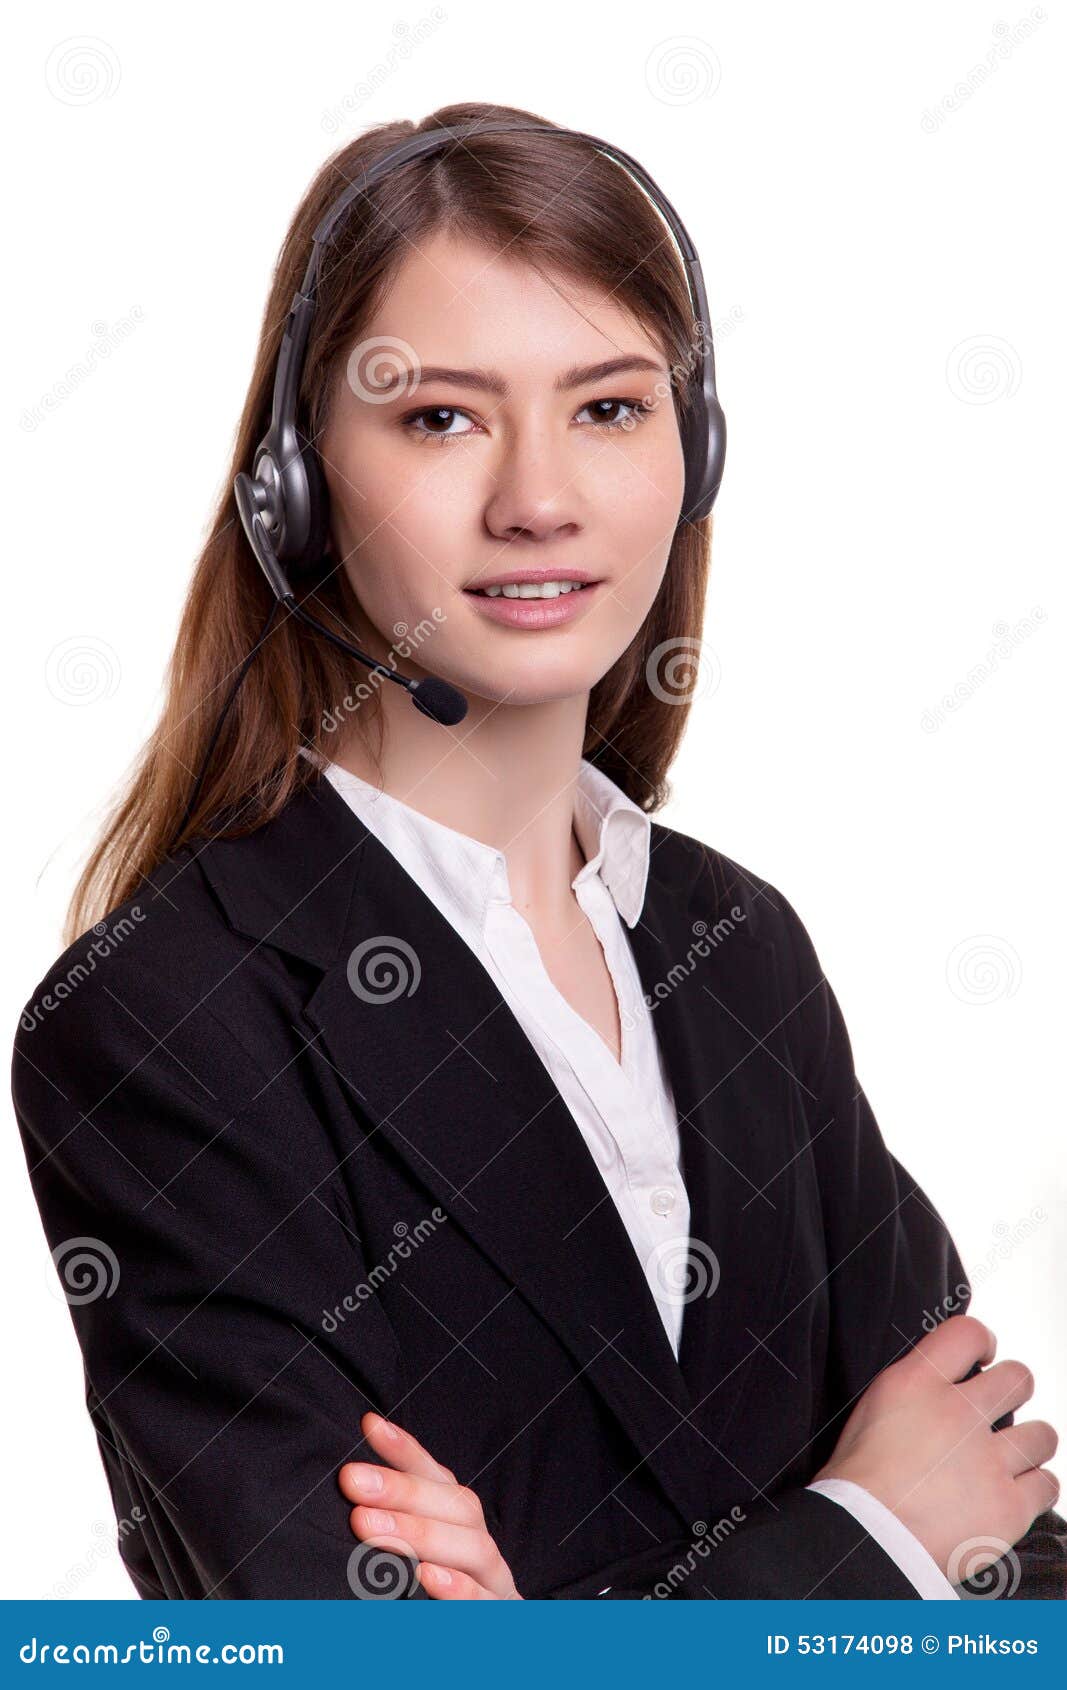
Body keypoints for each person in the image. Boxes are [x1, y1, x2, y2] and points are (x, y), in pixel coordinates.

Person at [11, 100, 1065, 1601]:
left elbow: (1013, 1555)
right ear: (296, 487)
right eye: (440, 415)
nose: (537, 500)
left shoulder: (738, 943)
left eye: (610, 408)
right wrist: (862, 1530)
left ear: (693, 457)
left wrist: (550, 1622)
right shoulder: (163, 1012)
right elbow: (356, 1651)